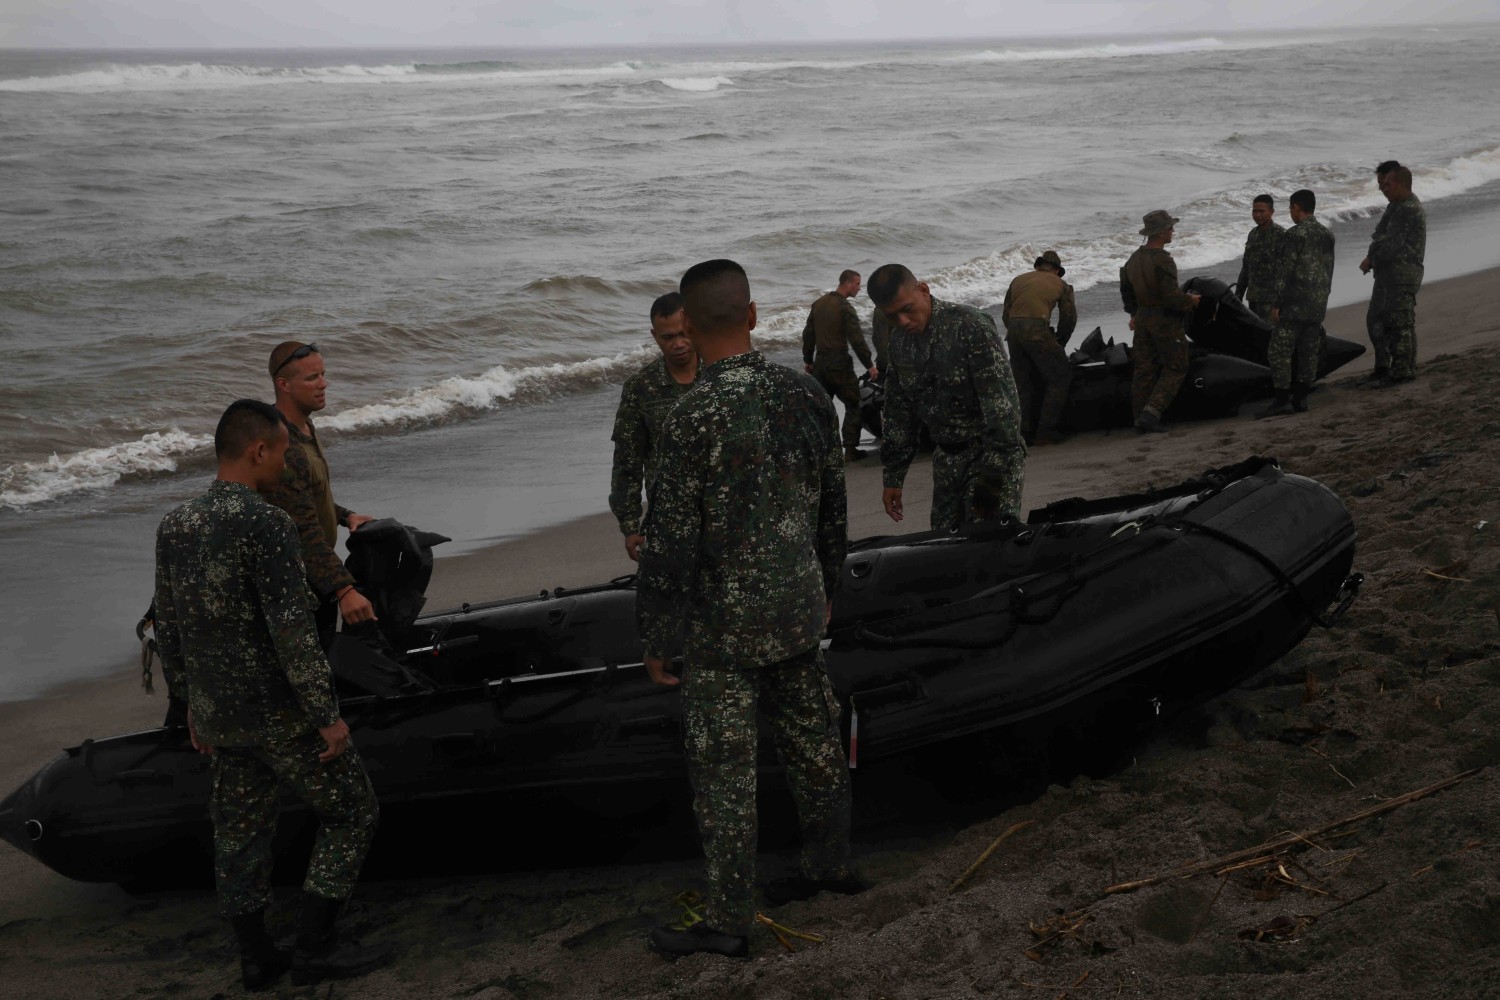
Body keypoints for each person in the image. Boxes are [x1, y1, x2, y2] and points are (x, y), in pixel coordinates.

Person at [638, 259, 859, 960]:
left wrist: (658, 634)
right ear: (755, 315)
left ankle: (731, 919)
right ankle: (831, 867)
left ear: (693, 332)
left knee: (725, 772)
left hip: (720, 630)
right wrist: (826, 589)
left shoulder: (687, 419)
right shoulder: (807, 396)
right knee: (815, 742)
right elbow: (833, 507)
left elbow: (669, 545)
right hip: (797, 608)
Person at [153, 399, 389, 991]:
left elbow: (170, 628)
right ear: (258, 450)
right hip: (280, 713)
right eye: (283, 450)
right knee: (355, 811)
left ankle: (256, 958)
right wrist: (326, 716)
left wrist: (189, 708)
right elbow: (292, 631)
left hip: (221, 717)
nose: (288, 460)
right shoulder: (267, 523)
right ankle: (313, 948)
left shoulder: (175, 526)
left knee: (239, 834)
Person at [870, 264, 1026, 530]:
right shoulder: (899, 343)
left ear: (923, 290)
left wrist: (992, 479)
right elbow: (899, 413)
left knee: (987, 542)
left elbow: (1003, 409)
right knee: (943, 544)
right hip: (946, 460)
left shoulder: (970, 326)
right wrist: (893, 477)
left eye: (907, 310)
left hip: (990, 456)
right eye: (892, 317)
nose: (903, 322)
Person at [261, 342, 377, 651]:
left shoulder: (305, 426)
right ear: (283, 384)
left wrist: (344, 515)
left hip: (317, 578)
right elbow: (302, 529)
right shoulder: (282, 444)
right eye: (313, 378)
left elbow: (305, 496)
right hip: (295, 587)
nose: (324, 384)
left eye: (323, 375)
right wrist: (344, 591)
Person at [609, 292, 699, 562]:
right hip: (667, 518)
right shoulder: (641, 388)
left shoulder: (719, 375)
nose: (679, 344)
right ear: (654, 335)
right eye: (668, 338)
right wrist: (629, 526)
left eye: (683, 334)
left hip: (725, 513)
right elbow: (628, 460)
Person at [1119, 210, 1202, 434]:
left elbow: (1126, 290)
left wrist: (1133, 314)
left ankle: (1139, 419)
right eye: (1169, 228)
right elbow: (1171, 298)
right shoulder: (1163, 261)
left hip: (1143, 319)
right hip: (1164, 321)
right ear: (1161, 232)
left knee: (1144, 369)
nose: (1172, 231)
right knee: (1177, 365)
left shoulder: (1133, 259)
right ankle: (1152, 412)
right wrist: (1191, 301)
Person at [1258, 189, 1335, 417]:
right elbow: (1328, 270)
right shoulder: (1326, 234)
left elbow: (1285, 274)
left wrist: (1276, 304)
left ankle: (1282, 400)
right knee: (1308, 351)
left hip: (1295, 304)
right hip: (1317, 302)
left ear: (1296, 207)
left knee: (1279, 350)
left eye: (1290, 208)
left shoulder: (1294, 235)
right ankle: (1301, 399)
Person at [1359, 161, 1426, 387]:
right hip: (1388, 275)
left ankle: (1401, 372)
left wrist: (1371, 259)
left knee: (1399, 324)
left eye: (1386, 184)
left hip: (1402, 274)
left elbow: (1391, 246)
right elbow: (1379, 235)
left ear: (1400, 184)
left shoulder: (1408, 208)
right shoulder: (1395, 206)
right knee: (1376, 319)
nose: (1382, 189)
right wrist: (1378, 247)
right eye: (1380, 184)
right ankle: (1383, 367)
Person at [1002, 250, 1077, 445]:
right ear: (1057, 271)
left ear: (1038, 266)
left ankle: (1023, 432)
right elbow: (1069, 318)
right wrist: (1060, 342)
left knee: (1022, 383)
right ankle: (1046, 430)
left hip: (1014, 333)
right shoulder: (1061, 284)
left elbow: (1006, 314)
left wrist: (1017, 334)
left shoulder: (1018, 280)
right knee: (1061, 375)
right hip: (1036, 329)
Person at [802, 269, 878, 460]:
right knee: (853, 404)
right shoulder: (845, 308)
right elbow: (857, 340)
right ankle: (850, 450)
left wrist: (808, 360)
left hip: (820, 365)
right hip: (840, 364)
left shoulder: (818, 304)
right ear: (847, 283)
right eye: (857, 284)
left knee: (823, 407)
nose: (859, 289)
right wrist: (869, 364)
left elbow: (808, 335)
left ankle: (823, 451)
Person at [1236, 194, 1285, 323]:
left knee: (1270, 337)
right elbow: (1246, 268)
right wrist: (1238, 294)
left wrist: (1279, 304)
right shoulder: (1253, 234)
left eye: (1262, 211)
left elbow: (1285, 273)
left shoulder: (1281, 235)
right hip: (1253, 299)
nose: (1257, 215)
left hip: (1272, 301)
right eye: (1254, 211)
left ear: (1271, 212)